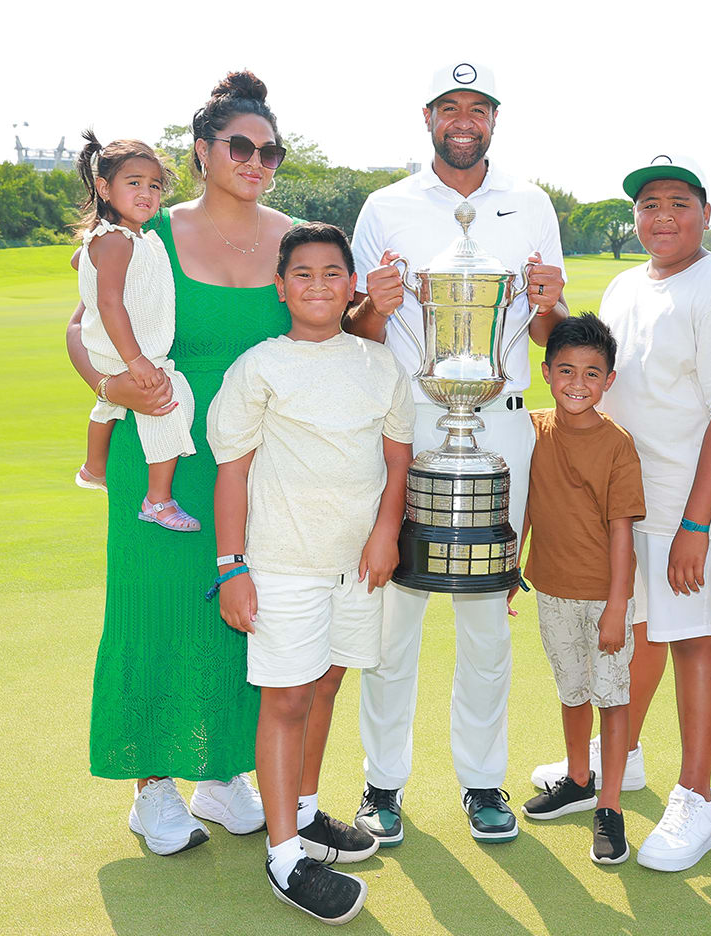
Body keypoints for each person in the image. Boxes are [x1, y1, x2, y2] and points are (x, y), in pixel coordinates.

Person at [65, 71, 292, 856]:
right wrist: (106, 381)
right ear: (203, 151)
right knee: (156, 605)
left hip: (261, 460)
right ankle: (151, 785)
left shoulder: (295, 236)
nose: (255, 160)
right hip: (161, 451)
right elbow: (80, 324)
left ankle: (224, 770)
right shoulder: (148, 230)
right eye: (239, 145)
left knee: (242, 613)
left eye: (270, 150)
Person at [343, 61, 567, 846]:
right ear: (428, 116)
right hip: (406, 424)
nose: (463, 121)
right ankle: (382, 785)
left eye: (477, 108)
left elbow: (546, 334)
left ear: (494, 121)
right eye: (449, 108)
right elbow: (361, 330)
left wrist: (550, 302)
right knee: (392, 617)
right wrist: (375, 303)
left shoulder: (531, 202)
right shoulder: (387, 205)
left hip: (498, 425)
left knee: (486, 624)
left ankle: (481, 783)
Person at [534, 154, 711, 873]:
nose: (661, 216)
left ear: (705, 213)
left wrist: (701, 524)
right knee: (630, 636)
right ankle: (617, 762)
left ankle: (697, 796)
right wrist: (550, 313)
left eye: (678, 203)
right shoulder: (631, 283)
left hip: (680, 505)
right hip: (623, 506)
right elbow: (587, 362)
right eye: (648, 205)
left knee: (692, 637)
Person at [209, 222, 413, 924]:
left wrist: (388, 534)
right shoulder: (259, 366)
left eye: (333, 273)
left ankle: (303, 808)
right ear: (281, 286)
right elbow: (231, 473)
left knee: (327, 681)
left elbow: (395, 463)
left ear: (353, 285)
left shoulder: (378, 364)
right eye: (303, 274)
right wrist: (231, 565)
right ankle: (284, 852)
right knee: (287, 697)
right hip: (281, 562)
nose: (319, 285)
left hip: (355, 563)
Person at [512, 315, 644, 866]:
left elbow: (622, 532)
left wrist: (617, 606)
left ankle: (608, 807)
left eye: (592, 373)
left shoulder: (617, 445)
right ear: (546, 373)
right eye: (565, 370)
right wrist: (508, 575)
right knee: (572, 690)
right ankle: (577, 779)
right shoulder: (531, 428)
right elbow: (519, 502)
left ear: (609, 380)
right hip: (552, 590)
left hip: (604, 596)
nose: (577, 383)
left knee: (611, 699)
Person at [71, 131, 199, 532]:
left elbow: (80, 259)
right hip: (125, 350)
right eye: (135, 183)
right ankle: (157, 500)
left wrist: (89, 260)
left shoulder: (127, 239)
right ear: (105, 189)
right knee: (168, 400)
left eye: (154, 185)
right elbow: (110, 303)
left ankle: (94, 468)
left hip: (113, 348)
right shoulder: (117, 240)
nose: (147, 192)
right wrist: (136, 359)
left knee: (108, 406)